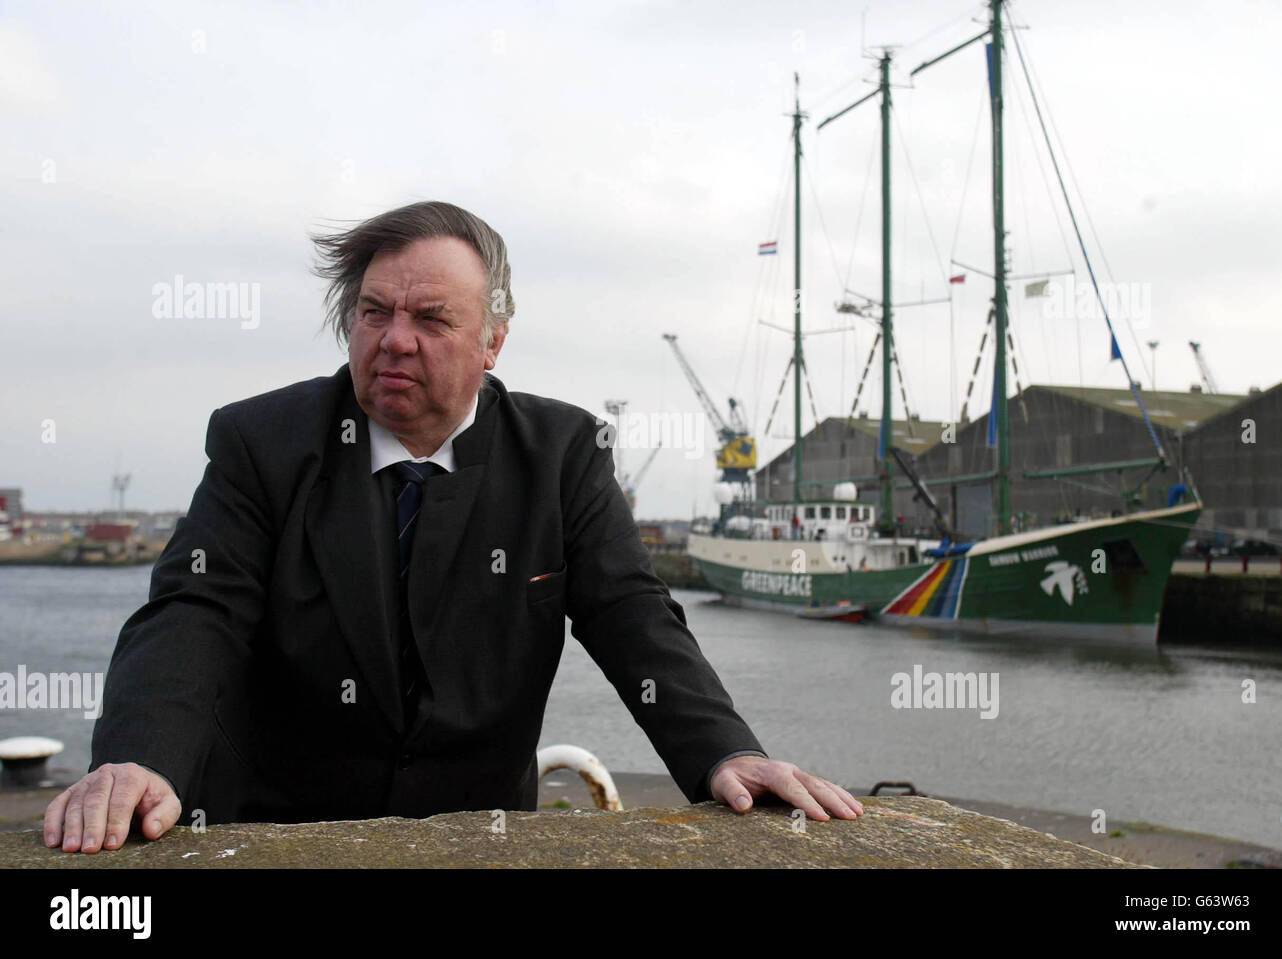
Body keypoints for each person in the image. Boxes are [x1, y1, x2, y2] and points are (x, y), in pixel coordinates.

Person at [44, 201, 861, 854]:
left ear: (493, 341)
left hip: (477, 839)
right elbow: (194, 611)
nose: (394, 340)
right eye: (373, 312)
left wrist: (725, 751)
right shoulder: (263, 442)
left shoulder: (563, 455)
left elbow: (632, 615)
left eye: (431, 319)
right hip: (272, 831)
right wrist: (140, 757)